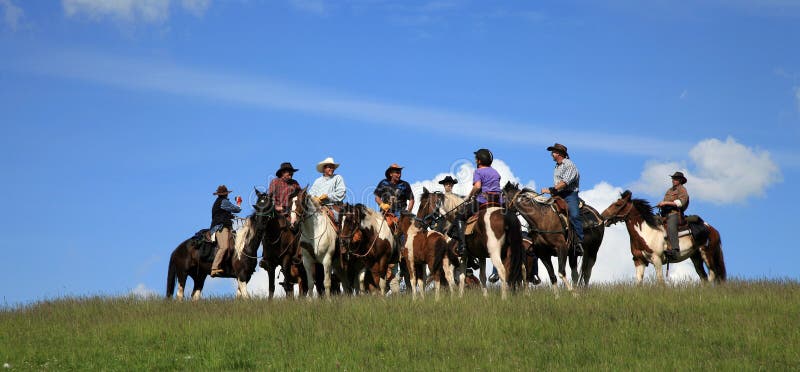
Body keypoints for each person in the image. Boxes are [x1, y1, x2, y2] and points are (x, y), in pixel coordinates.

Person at [541, 143, 583, 256]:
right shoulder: (557, 166)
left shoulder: (569, 165)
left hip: (570, 194)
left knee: (574, 215)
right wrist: (553, 191)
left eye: (553, 152)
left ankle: (579, 241)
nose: (551, 154)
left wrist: (551, 190)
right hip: (558, 194)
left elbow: (565, 182)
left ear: (559, 154)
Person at [210, 185, 242, 277]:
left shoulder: (219, 202)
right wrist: (239, 202)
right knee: (224, 247)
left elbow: (222, 213)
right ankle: (214, 268)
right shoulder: (223, 202)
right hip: (220, 227)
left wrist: (230, 216)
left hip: (224, 226)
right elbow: (237, 209)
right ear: (225, 194)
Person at [657, 171, 689, 258]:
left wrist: (665, 203)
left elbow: (681, 203)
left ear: (680, 180)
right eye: (673, 178)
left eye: (675, 179)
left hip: (675, 214)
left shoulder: (682, 189)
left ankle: (675, 250)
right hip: (665, 214)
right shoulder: (669, 190)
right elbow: (665, 201)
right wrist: (661, 205)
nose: (673, 180)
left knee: (671, 226)